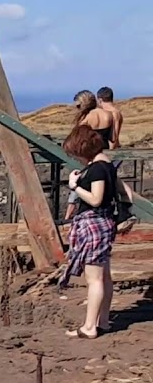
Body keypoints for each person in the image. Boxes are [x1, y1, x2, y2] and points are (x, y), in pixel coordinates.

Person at [61, 124, 117, 339]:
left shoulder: (96, 169)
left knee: (94, 279)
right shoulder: (106, 163)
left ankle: (89, 327)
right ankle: (102, 322)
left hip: (94, 224)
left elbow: (95, 198)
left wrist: (75, 187)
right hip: (104, 223)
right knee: (105, 277)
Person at [65, 90, 119, 220]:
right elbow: (113, 138)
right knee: (109, 187)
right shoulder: (108, 115)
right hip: (104, 155)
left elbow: (78, 140)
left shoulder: (86, 119)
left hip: (89, 156)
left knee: (80, 185)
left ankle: (69, 217)